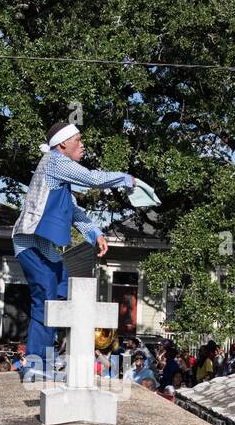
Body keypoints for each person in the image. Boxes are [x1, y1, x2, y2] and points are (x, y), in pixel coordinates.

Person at [11, 120, 140, 376]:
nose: (82, 145)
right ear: (62, 145)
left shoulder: (60, 176)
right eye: (78, 140)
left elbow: (74, 211)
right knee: (46, 299)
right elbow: (92, 179)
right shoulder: (55, 163)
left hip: (44, 247)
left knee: (61, 292)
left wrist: (95, 233)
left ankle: (49, 357)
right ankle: (37, 365)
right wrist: (126, 179)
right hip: (28, 242)